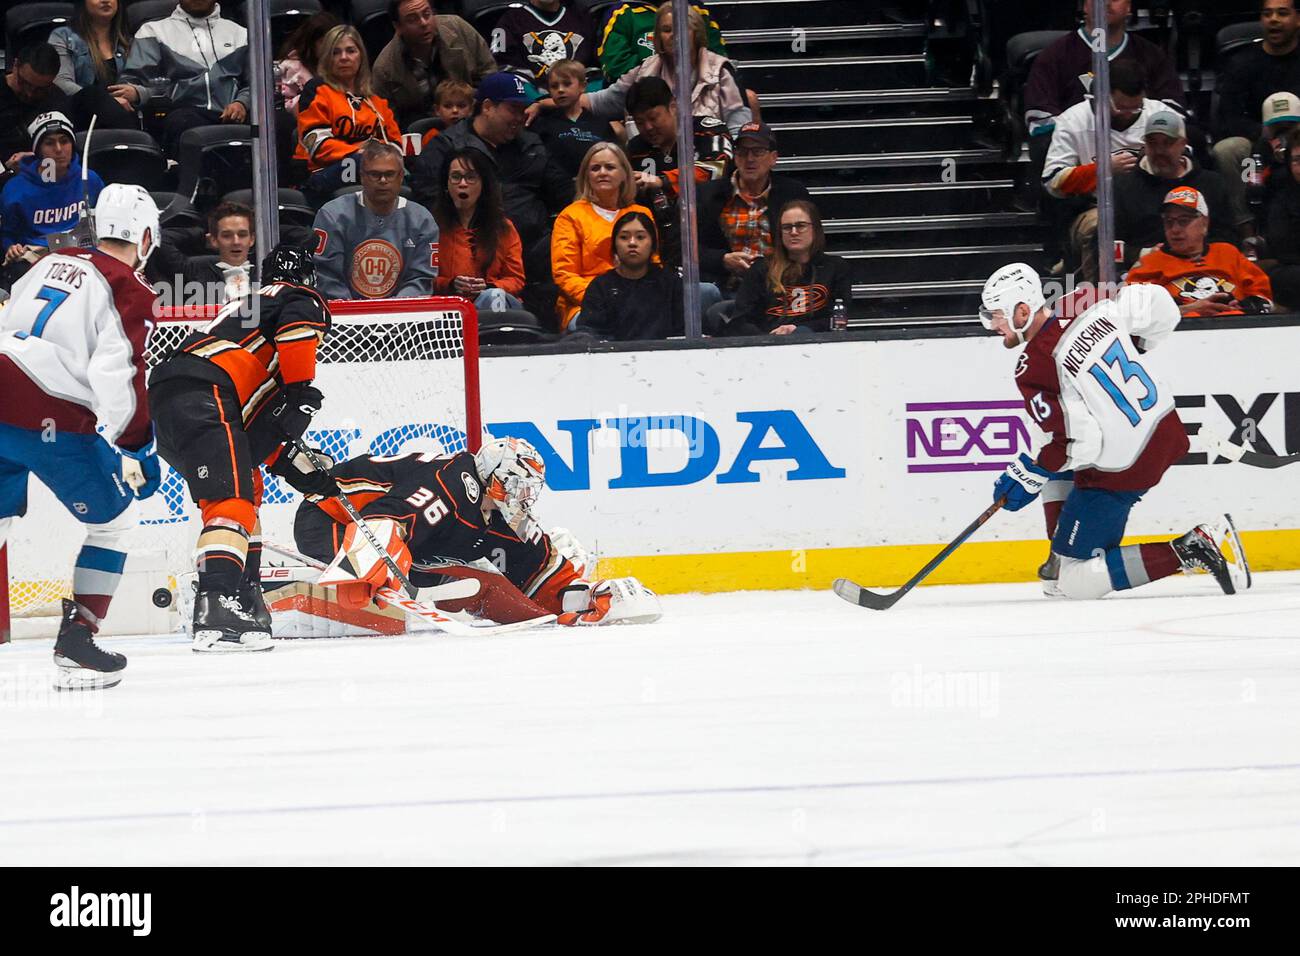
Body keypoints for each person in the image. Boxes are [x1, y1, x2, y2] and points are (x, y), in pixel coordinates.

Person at [981, 262, 1249, 599]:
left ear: (1022, 311)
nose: (992, 324)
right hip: (1166, 428)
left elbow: (1081, 443)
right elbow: (1161, 305)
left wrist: (1028, 475)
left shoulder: (1035, 366)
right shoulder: (1082, 302)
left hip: (1125, 465)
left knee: (1072, 582)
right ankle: (1060, 552)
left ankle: (1189, 547)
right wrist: (1137, 344)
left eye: (996, 315)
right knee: (1046, 443)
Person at [0, 184, 162, 688]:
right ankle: (78, 641)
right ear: (147, 235)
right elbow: (122, 374)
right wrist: (138, 443)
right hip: (49, 410)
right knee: (114, 526)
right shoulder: (129, 287)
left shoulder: (51, 260)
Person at [148, 245, 335, 651]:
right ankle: (215, 603)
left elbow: (250, 440)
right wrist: (301, 390)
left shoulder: (248, 310)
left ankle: (244, 596)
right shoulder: (298, 297)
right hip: (205, 391)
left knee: (244, 484)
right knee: (230, 500)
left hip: (171, 396)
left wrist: (289, 462)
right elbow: (298, 328)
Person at [295, 439, 660, 626]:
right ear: (493, 474)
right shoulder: (452, 481)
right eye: (516, 484)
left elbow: (542, 577)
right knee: (477, 582)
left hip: (397, 539)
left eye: (528, 489)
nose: (522, 496)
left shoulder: (504, 515)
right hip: (332, 519)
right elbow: (386, 518)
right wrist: (368, 571)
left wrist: (587, 598)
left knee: (483, 582)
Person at [412, 72, 574, 269]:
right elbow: (429, 202)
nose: (520, 118)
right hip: (470, 254)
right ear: (488, 107)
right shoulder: (447, 147)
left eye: (523, 110)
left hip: (534, 252)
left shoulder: (532, 145)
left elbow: (564, 193)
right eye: (513, 109)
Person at [543, 3, 750, 136]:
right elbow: (604, 100)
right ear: (657, 37)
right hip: (654, 156)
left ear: (696, 32)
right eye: (666, 30)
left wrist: (732, 156)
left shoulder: (721, 70)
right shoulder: (645, 70)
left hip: (711, 156)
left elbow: (738, 122)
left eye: (680, 28)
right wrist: (543, 104)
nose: (673, 35)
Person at [1042, 59, 1160, 280]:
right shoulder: (1073, 121)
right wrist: (1102, 170)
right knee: (1099, 228)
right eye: (1121, 107)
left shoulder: (1158, 114)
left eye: (1136, 107)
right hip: (1095, 206)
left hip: (1153, 200)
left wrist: (1154, 161)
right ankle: (1098, 296)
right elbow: (1053, 181)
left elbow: (1186, 159)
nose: (1129, 113)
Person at [1023, 0, 1184, 144]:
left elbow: (1172, 109)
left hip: (1141, 145)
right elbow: (1040, 117)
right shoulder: (1054, 56)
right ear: (1085, 5)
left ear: (1129, 7)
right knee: (1043, 144)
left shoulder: (1152, 55)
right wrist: (1083, 131)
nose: (1106, 3)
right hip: (1079, 145)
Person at [116, 0, 250, 157]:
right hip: (181, 112)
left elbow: (258, 83)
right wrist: (140, 92)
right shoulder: (153, 31)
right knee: (184, 122)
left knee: (275, 122)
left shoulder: (241, 34)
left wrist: (242, 103)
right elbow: (135, 83)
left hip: (235, 113)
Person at [1212, 1, 1300, 234]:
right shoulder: (1241, 63)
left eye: (1282, 13)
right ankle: (1247, 229)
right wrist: (1265, 136)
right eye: (1267, 13)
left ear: (1298, 20)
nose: (1273, 19)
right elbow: (1227, 118)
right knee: (1227, 149)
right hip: (1255, 149)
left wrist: (1293, 137)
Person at [625, 75, 730, 270]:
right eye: (640, 122)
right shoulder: (635, 148)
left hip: (710, 237)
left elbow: (717, 168)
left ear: (672, 107)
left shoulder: (707, 131)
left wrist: (663, 181)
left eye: (653, 118)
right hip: (658, 247)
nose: (648, 127)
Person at [312, 139, 439, 300]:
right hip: (344, 316)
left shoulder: (422, 220)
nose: (383, 181)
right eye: (375, 174)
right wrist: (354, 314)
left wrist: (392, 311)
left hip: (403, 318)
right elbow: (326, 276)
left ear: (401, 177)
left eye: (389, 174)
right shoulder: (332, 215)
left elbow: (421, 279)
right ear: (362, 176)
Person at [695, 121, 810, 295]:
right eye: (743, 152)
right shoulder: (707, 194)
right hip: (725, 287)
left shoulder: (793, 193)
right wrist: (722, 260)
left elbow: (809, 243)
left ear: (773, 158)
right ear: (735, 156)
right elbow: (685, 249)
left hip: (780, 287)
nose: (749, 159)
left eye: (758, 152)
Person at [1113, 110, 1236, 270]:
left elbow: (1229, 237)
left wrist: (1198, 252)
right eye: (1152, 143)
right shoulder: (1123, 187)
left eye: (1167, 143)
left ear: (1183, 143)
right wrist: (1143, 253)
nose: (1159, 151)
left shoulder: (1211, 183)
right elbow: (1104, 247)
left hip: (1203, 268)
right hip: (1146, 271)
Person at [295, 24, 402, 207]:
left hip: (372, 170)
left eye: (350, 51)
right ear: (327, 58)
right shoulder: (317, 90)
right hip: (324, 172)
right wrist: (360, 153)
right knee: (362, 164)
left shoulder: (374, 98)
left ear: (361, 55)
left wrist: (373, 157)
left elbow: (395, 144)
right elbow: (317, 144)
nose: (344, 57)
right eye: (336, 52)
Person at [1125, 187, 1274, 316]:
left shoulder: (1228, 253)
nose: (1175, 229)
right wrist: (1184, 310)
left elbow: (1264, 299)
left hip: (1237, 332)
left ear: (1204, 223)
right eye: (1169, 222)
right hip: (1181, 336)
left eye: (1183, 221)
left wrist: (1246, 307)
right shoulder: (1150, 263)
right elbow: (1131, 313)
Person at [552, 142, 653, 330]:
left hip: (638, 298)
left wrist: (636, 297)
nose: (602, 173)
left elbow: (654, 263)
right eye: (595, 168)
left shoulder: (642, 213)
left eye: (610, 167)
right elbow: (565, 274)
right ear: (586, 176)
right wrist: (606, 298)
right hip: (586, 304)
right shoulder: (571, 215)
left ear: (624, 174)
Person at [1, 112, 104, 286]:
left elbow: (102, 222)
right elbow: (8, 234)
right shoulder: (16, 190)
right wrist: (11, 247)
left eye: (64, 141)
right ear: (37, 150)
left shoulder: (90, 179)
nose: (58, 149)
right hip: (38, 259)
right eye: (49, 143)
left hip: (86, 253)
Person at [722, 200, 851, 336]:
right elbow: (740, 321)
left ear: (815, 229)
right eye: (787, 227)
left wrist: (799, 329)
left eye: (800, 226)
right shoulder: (760, 269)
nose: (794, 232)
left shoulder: (836, 267)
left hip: (817, 343)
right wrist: (768, 340)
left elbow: (839, 318)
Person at [372, 0, 497, 129]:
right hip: (423, 131)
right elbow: (388, 123)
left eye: (427, 14)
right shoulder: (385, 68)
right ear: (398, 27)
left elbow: (489, 73)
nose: (424, 23)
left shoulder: (458, 28)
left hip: (471, 118)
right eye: (412, 19)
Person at [432, 147, 526, 312]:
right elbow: (423, 279)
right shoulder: (431, 227)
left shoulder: (504, 228)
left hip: (496, 306)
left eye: (470, 177)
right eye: (456, 177)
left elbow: (516, 280)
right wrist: (450, 284)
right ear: (446, 184)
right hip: (450, 308)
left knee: (493, 296)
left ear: (483, 185)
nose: (462, 184)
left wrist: (488, 287)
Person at [579, 210, 682, 339]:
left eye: (640, 237)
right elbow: (590, 335)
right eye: (624, 237)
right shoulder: (600, 287)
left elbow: (682, 333)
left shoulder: (670, 283)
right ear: (614, 245)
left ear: (653, 244)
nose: (632, 243)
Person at [48, 0, 139, 130]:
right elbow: (61, 81)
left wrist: (137, 92)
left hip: (125, 114)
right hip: (82, 117)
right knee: (92, 94)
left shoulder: (129, 40)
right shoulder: (62, 36)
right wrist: (106, 103)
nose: (106, 1)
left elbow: (148, 83)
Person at [152, 200, 257, 306]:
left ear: (252, 239)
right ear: (214, 240)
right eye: (227, 236)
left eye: (242, 235)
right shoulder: (195, 269)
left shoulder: (266, 271)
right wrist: (201, 237)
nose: (236, 242)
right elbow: (162, 240)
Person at [531, 59, 621, 179]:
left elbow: (614, 162)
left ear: (582, 86)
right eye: (554, 86)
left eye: (567, 84)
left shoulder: (600, 124)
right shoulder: (542, 123)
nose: (560, 90)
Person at [598, 2, 726, 84]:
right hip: (641, 100)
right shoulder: (621, 13)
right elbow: (616, 66)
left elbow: (716, 60)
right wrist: (661, 77)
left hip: (697, 92)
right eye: (666, 30)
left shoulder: (698, 10)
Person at [0, 44, 73, 178]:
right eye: (24, 83)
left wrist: (36, 160)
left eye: (40, 89)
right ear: (15, 65)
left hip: (43, 176)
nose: (29, 93)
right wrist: (5, 170)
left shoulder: (57, 102)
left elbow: (67, 154)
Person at [494, 0, 599, 92]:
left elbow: (596, 68)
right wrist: (536, 98)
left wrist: (581, 95)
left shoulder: (584, 19)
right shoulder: (509, 21)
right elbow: (503, 69)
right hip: (530, 104)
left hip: (579, 102)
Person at [1261, 128, 1300, 307]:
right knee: (1280, 277)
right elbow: (1281, 247)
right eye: (1297, 160)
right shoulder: (1282, 199)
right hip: (1294, 270)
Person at [276, 10, 342, 116]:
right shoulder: (293, 69)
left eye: (333, 42)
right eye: (323, 42)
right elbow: (292, 108)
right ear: (311, 43)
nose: (329, 47)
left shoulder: (340, 65)